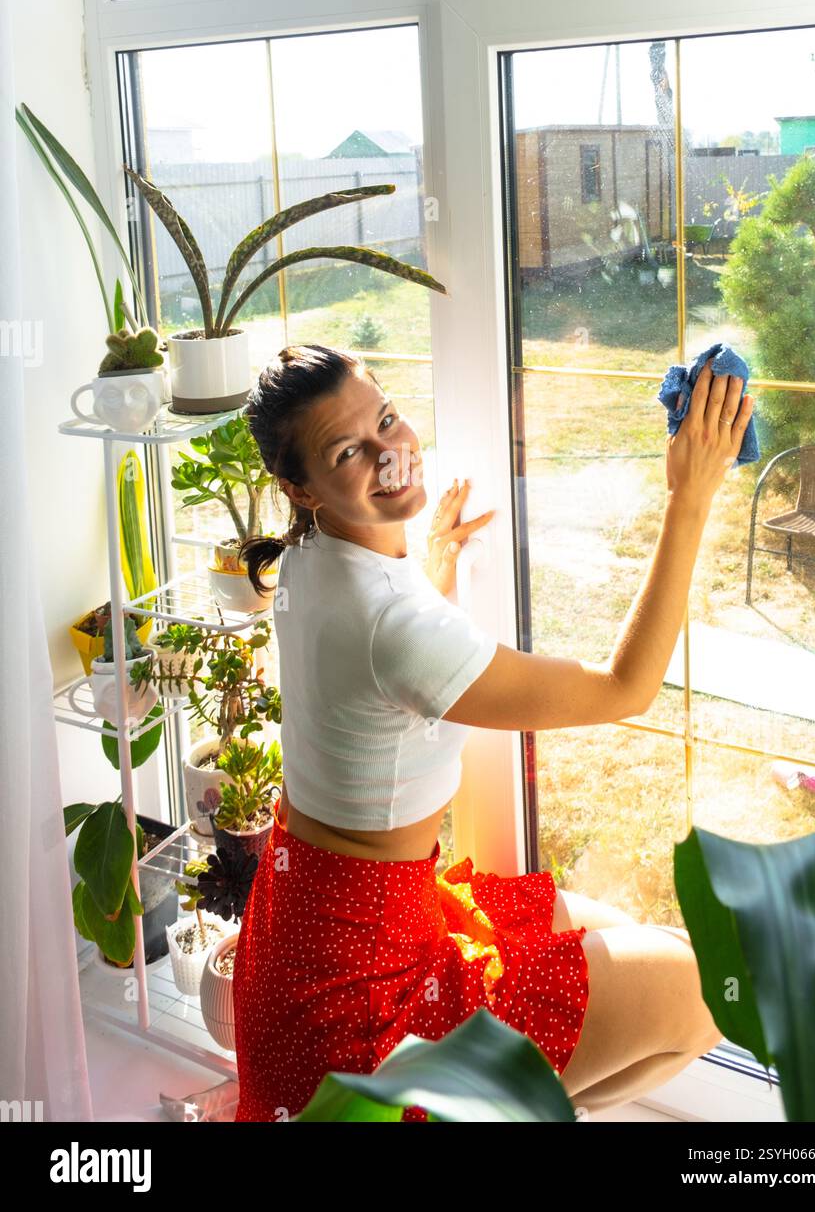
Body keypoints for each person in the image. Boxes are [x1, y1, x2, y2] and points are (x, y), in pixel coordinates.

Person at [230, 342, 753, 1121]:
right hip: (364, 1001)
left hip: (308, 926)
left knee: (635, 948)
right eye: (350, 452)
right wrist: (691, 494)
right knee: (709, 990)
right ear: (298, 488)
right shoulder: (395, 627)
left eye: (388, 420)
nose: (390, 454)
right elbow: (625, 688)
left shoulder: (307, 560)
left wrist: (433, 563)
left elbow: (375, 674)